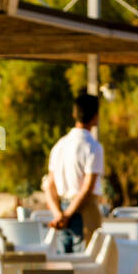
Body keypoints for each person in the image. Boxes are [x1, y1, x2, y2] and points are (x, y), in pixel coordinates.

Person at [42, 92, 103, 253]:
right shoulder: (93, 147)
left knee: (64, 267)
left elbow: (49, 186)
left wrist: (59, 215)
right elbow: (87, 188)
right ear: (95, 116)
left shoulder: (59, 145)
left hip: (61, 211)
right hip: (84, 212)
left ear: (74, 114)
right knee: (86, 268)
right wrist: (68, 215)